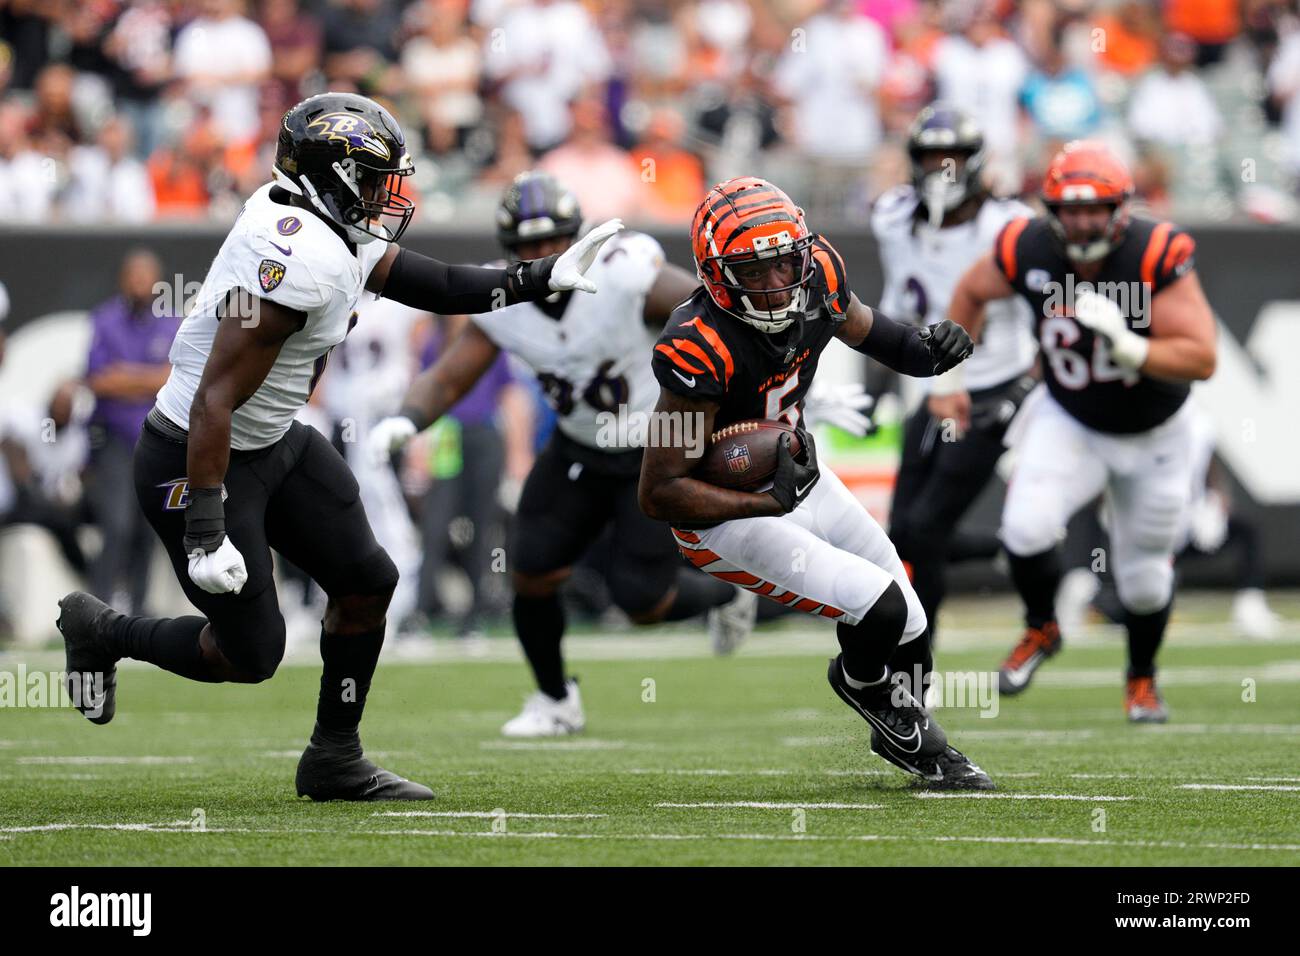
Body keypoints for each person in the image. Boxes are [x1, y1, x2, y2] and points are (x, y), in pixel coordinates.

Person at [55, 92, 621, 802]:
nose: (392, 194)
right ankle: (103, 630)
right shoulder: (299, 256)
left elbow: (437, 283)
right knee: (249, 655)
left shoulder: (327, 223)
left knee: (367, 581)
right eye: (379, 177)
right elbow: (214, 399)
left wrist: (535, 279)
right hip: (199, 455)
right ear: (337, 175)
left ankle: (334, 756)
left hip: (270, 439)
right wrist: (206, 527)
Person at [637, 176, 993, 789]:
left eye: (783, 264)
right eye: (754, 272)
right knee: (876, 605)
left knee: (907, 609)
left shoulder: (819, 275)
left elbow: (878, 336)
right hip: (722, 517)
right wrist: (761, 499)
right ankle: (867, 691)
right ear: (717, 275)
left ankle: (902, 723)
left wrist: (933, 350)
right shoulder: (701, 344)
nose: (777, 284)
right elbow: (660, 493)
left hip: (795, 471)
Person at [370, 171, 750, 738]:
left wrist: (772, 371)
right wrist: (407, 419)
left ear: (578, 236)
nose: (543, 255)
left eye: (553, 242)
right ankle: (555, 698)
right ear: (509, 251)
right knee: (531, 572)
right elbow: (447, 380)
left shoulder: (622, 274)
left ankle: (727, 594)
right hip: (577, 446)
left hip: (654, 447)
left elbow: (708, 309)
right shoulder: (505, 300)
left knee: (642, 602)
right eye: (527, 246)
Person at [946, 141, 1217, 721]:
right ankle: (1042, 627)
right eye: (1071, 210)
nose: (1083, 221)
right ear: (1051, 211)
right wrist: (950, 380)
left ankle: (1142, 677)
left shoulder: (1154, 252)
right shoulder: (1027, 247)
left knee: (1143, 579)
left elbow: (1201, 358)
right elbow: (971, 292)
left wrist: (1129, 345)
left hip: (1158, 432)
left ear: (1120, 209)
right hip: (1071, 416)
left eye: (1096, 208)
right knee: (1024, 527)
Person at [878, 104, 1036, 644]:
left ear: (975, 163)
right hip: (935, 388)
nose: (941, 171)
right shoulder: (894, 219)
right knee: (902, 534)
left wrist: (1022, 391)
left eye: (953, 159)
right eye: (930, 158)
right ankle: (1020, 549)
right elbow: (900, 304)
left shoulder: (1009, 226)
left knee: (924, 529)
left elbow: (1050, 316)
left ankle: (918, 665)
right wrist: (884, 379)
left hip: (992, 388)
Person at [84, 249, 179, 614]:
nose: (140, 285)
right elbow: (99, 380)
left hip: (157, 439)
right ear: (123, 280)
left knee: (148, 525)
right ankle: (97, 604)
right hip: (113, 438)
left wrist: (129, 376)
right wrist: (148, 378)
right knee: (117, 523)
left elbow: (176, 378)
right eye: (134, 277)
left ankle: (139, 610)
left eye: (146, 277)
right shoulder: (104, 320)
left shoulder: (171, 321)